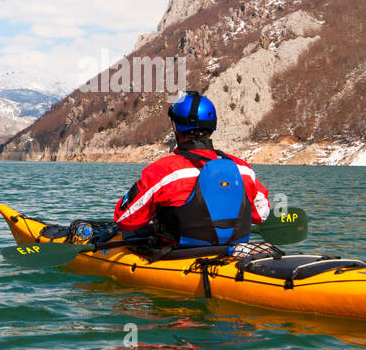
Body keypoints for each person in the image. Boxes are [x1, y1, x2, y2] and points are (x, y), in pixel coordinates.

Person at [112, 90, 270, 249]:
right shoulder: (242, 169)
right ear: (212, 128)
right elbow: (261, 214)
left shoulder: (163, 170)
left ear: (177, 129)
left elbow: (125, 218)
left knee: (129, 232)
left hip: (178, 255)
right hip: (232, 252)